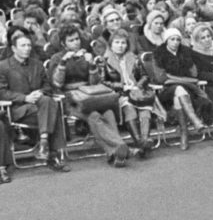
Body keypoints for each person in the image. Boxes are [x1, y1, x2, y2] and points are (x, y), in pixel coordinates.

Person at [50, 25, 131, 167]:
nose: (76, 42)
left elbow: (95, 82)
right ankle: (120, 146)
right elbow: (57, 83)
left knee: (108, 112)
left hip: (90, 94)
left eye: (77, 39)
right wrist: (63, 62)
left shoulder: (87, 54)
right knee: (93, 116)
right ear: (63, 43)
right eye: (71, 40)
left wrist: (92, 65)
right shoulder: (57, 58)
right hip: (70, 97)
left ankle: (115, 153)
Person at [0, 31, 70, 172]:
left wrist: (39, 93)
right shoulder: (3, 66)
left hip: (39, 106)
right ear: (14, 49)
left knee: (47, 101)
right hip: (18, 109)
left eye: (29, 45)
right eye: (23, 45)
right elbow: (2, 92)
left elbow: (47, 86)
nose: (27, 48)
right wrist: (25, 98)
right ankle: (52, 154)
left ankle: (44, 142)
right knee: (53, 108)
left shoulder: (37, 64)